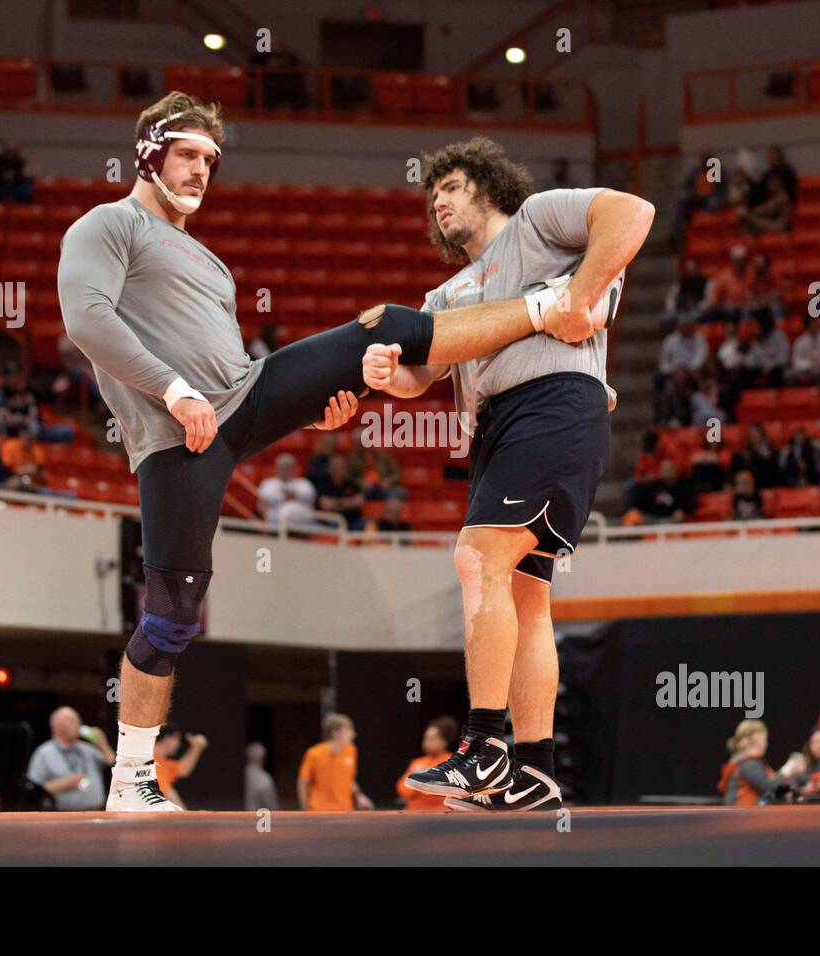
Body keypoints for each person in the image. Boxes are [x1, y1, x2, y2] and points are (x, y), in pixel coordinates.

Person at [57, 94, 596, 811]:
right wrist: (175, 389)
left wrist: (304, 413)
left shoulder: (211, 263)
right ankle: (131, 780)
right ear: (149, 151)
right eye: (187, 154)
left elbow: (229, 362)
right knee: (171, 617)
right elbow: (85, 318)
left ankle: (541, 311)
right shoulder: (109, 224)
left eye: (211, 160)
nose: (200, 171)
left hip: (245, 399)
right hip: (179, 428)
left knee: (384, 326)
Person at [360, 136, 653, 811]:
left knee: (476, 558)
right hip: (496, 426)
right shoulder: (444, 292)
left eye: (452, 185)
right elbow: (422, 375)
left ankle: (484, 744)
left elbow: (632, 212)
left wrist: (580, 295)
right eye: (432, 196)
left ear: (488, 184)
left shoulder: (537, 221)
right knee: (525, 598)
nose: (438, 201)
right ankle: (536, 769)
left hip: (554, 402)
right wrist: (388, 377)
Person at [25, 707, 115, 811]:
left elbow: (111, 762)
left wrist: (102, 744)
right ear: (57, 726)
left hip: (96, 812)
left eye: (78, 720)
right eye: (72, 721)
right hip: (61, 817)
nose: (78, 724)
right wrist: (66, 783)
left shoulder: (88, 749)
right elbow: (33, 790)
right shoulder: (44, 753)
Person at [296, 713, 373, 811]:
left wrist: (359, 795)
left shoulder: (351, 750)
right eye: (349, 730)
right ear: (335, 733)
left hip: (345, 810)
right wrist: (305, 808)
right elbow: (303, 782)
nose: (353, 734)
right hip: (319, 810)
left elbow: (350, 779)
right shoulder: (314, 753)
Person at [717, 718, 797, 805]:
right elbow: (766, 786)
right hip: (742, 815)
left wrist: (793, 790)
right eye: (765, 739)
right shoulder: (748, 763)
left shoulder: (744, 760)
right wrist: (785, 771)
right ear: (756, 740)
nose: (767, 743)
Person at [396, 717, 457, 812]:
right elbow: (402, 790)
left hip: (441, 813)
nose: (426, 742)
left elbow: (444, 791)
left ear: (444, 741)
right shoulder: (417, 762)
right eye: (425, 738)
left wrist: (418, 784)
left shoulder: (452, 762)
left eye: (432, 739)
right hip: (413, 812)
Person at [153, 725, 207, 809]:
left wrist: (196, 748)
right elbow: (165, 791)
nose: (179, 744)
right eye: (177, 739)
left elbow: (183, 770)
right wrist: (185, 815)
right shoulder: (150, 761)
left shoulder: (163, 763)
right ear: (168, 739)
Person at [257, 452, 317, 528]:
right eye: (282, 467)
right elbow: (264, 501)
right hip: (275, 527)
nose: (285, 470)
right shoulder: (267, 483)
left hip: (303, 528)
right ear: (276, 468)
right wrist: (293, 495)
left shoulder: (304, 483)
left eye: (288, 467)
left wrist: (282, 494)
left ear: (294, 468)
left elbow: (309, 495)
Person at [313, 452, 365, 531]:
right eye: (336, 467)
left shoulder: (352, 484)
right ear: (330, 469)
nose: (339, 470)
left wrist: (337, 503)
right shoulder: (324, 485)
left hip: (353, 521)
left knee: (368, 525)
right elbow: (326, 505)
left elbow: (358, 502)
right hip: (333, 522)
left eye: (342, 467)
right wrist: (349, 502)